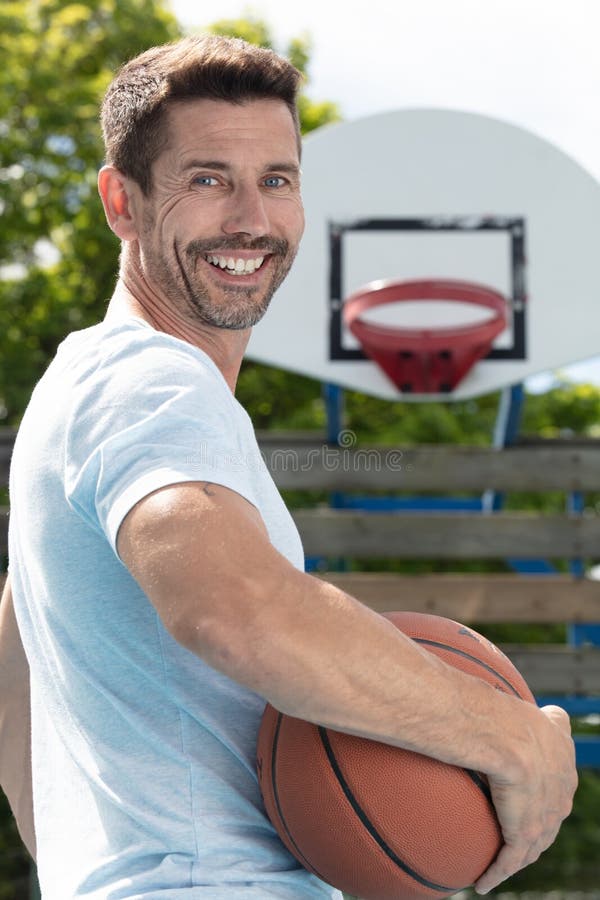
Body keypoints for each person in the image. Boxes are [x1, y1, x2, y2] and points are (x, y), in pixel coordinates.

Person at [0, 33, 577, 900]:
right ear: (122, 201)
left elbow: (14, 683)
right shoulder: (152, 382)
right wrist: (509, 738)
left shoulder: (81, 389)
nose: (252, 219)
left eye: (276, 180)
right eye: (207, 180)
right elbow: (234, 606)